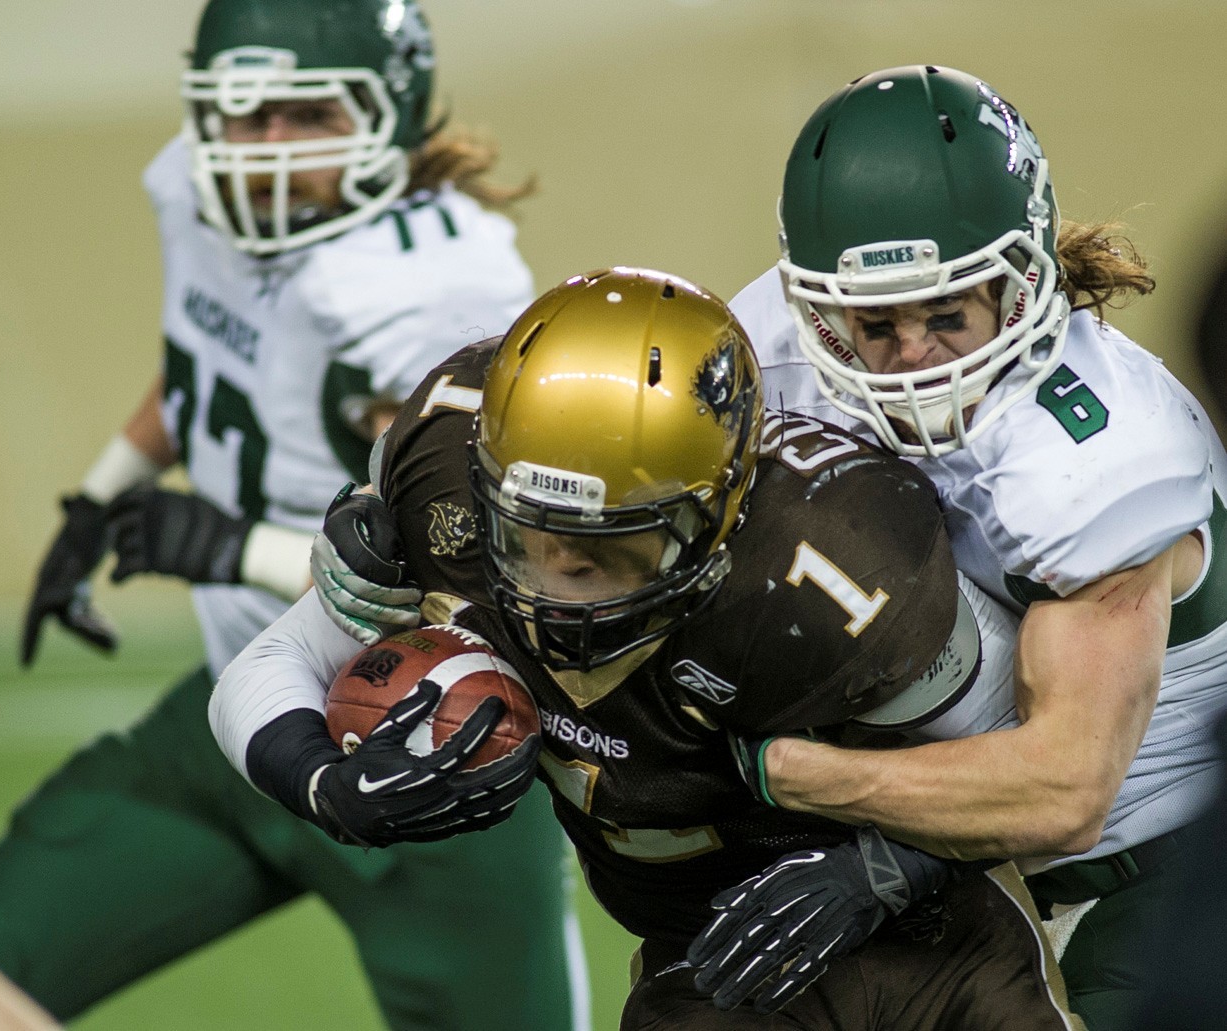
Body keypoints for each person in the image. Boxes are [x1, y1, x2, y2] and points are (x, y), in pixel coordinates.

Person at [209, 265, 1085, 1028]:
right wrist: (322, 781)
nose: (556, 578)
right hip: (708, 955)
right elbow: (273, 662)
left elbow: (1017, 763)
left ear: (719, 513)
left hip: (936, 926)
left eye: (609, 546)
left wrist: (888, 870)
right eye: (529, 534)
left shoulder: (826, 567)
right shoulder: (442, 474)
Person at [0, 2, 587, 1028]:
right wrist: (104, 492)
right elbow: (208, 357)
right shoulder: (196, 191)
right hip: (238, 718)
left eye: (306, 115)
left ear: (388, 114)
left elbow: (475, 573)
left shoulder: (427, 285)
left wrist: (233, 547)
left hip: (424, 746)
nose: (266, 146)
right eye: (247, 112)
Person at [723, 64, 1227, 1029]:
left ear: (1017, 283)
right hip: (941, 851)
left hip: (1143, 868)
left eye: (947, 313)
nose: (914, 354)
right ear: (819, 307)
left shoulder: (1102, 454)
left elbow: (1066, 791)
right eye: (877, 322)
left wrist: (779, 772)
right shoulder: (773, 351)